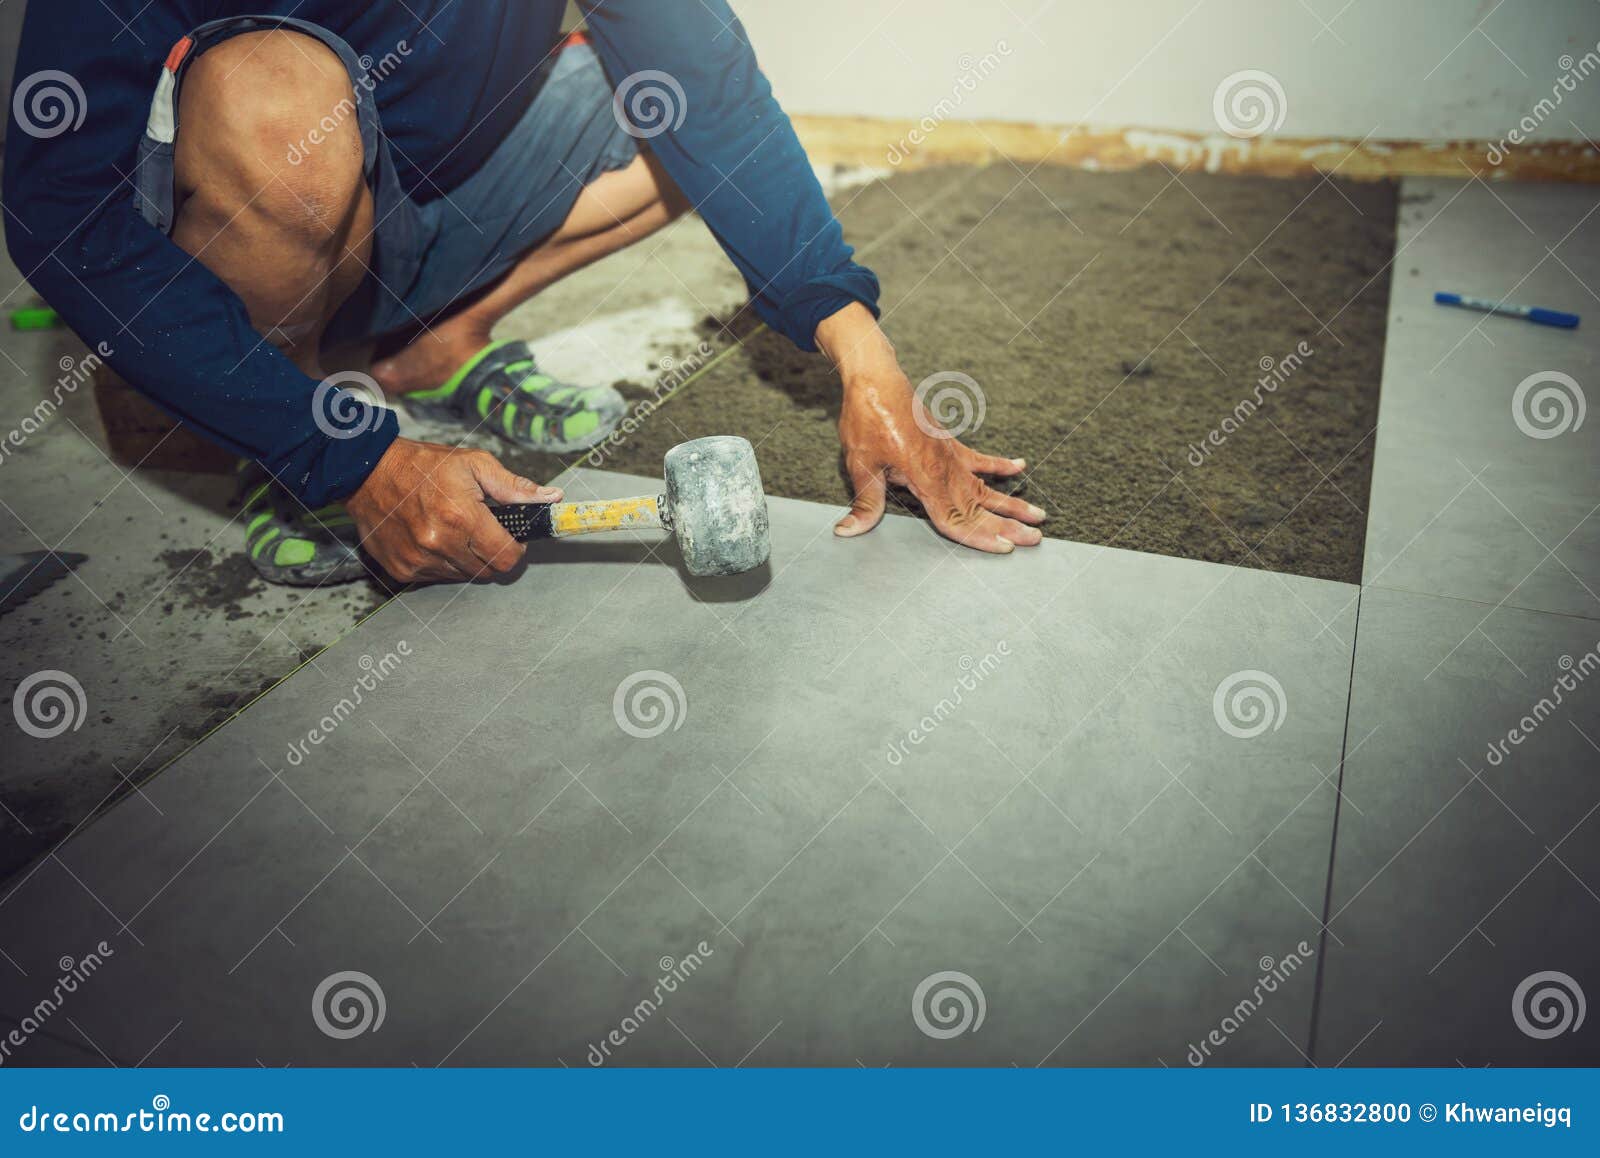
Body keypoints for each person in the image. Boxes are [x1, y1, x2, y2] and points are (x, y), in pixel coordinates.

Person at [4, 1, 1044, 586]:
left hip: (432, 200)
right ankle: (295, 411)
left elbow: (710, 91)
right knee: (271, 103)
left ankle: (438, 345)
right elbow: (57, 203)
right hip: (262, 242)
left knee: (674, 113)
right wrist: (347, 456)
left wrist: (866, 360)